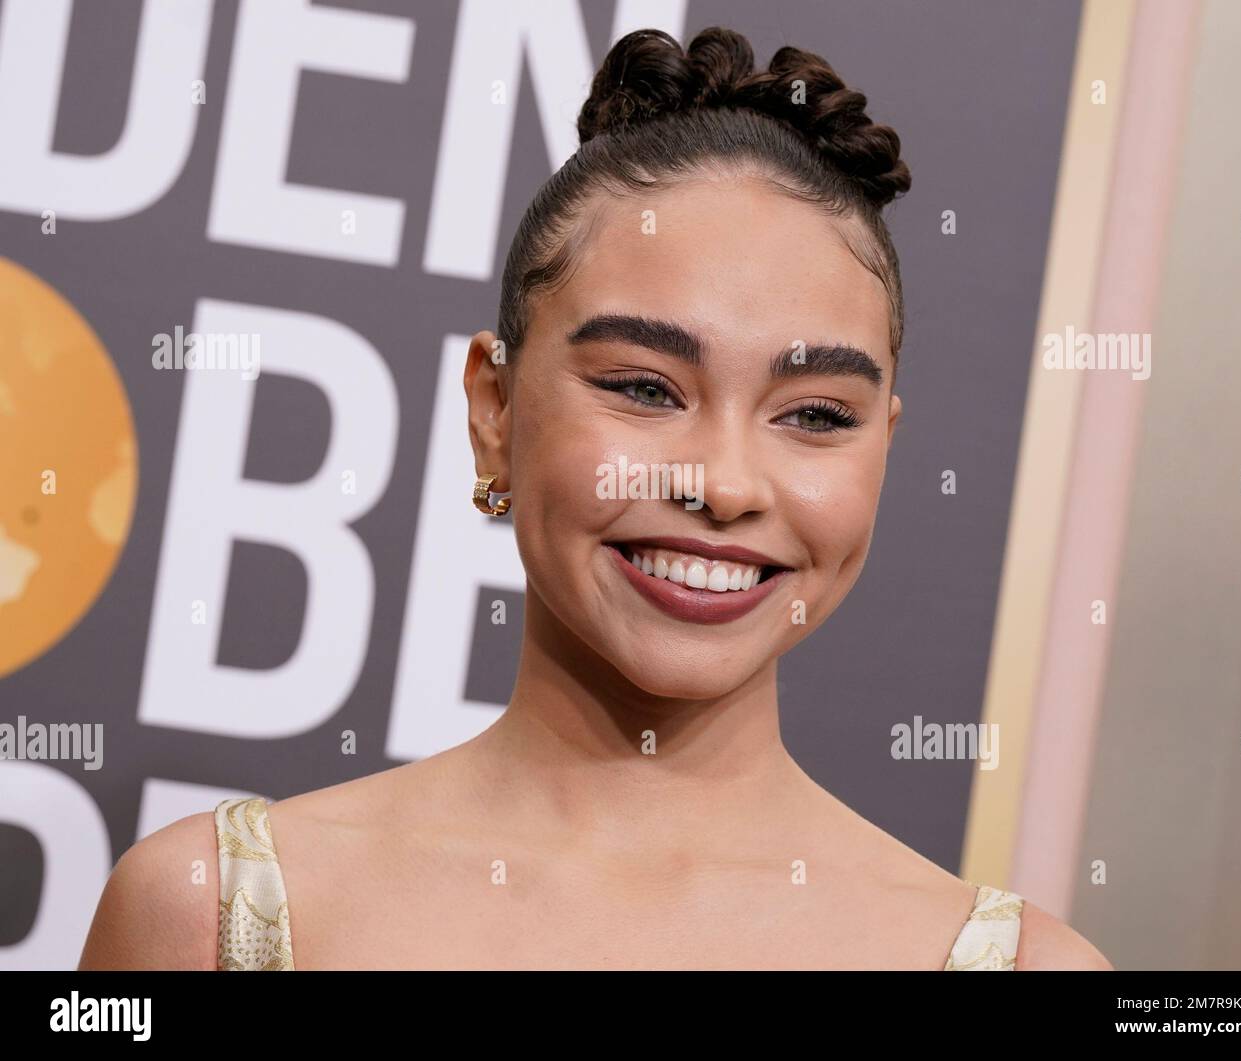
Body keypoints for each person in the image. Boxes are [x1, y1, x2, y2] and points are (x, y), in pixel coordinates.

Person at [79, 25, 1111, 971]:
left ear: (883, 445)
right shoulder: (211, 912)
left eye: (814, 413)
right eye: (644, 389)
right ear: (494, 408)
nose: (723, 484)